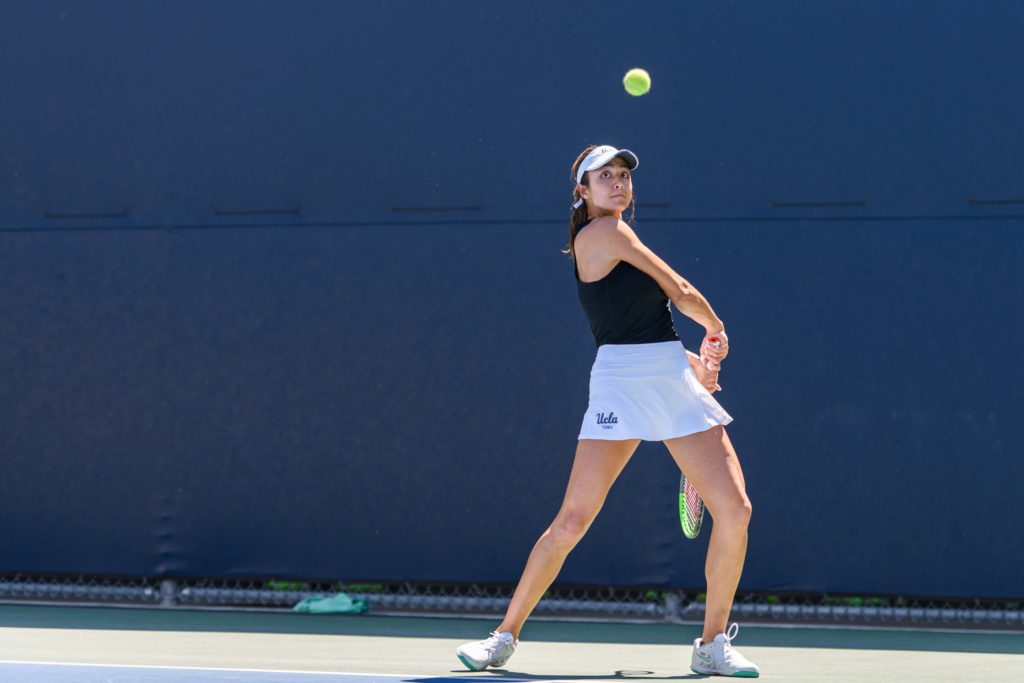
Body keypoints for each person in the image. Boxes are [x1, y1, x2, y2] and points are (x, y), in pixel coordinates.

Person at [456, 145, 759, 678]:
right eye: (605, 176)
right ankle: (502, 637)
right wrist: (716, 328)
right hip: (619, 386)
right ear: (583, 190)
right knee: (572, 520)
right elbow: (680, 290)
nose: (618, 183)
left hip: (668, 376)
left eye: (623, 175)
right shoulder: (603, 233)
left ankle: (711, 645)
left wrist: (695, 362)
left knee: (735, 510)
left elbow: (647, 329)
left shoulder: (620, 237)